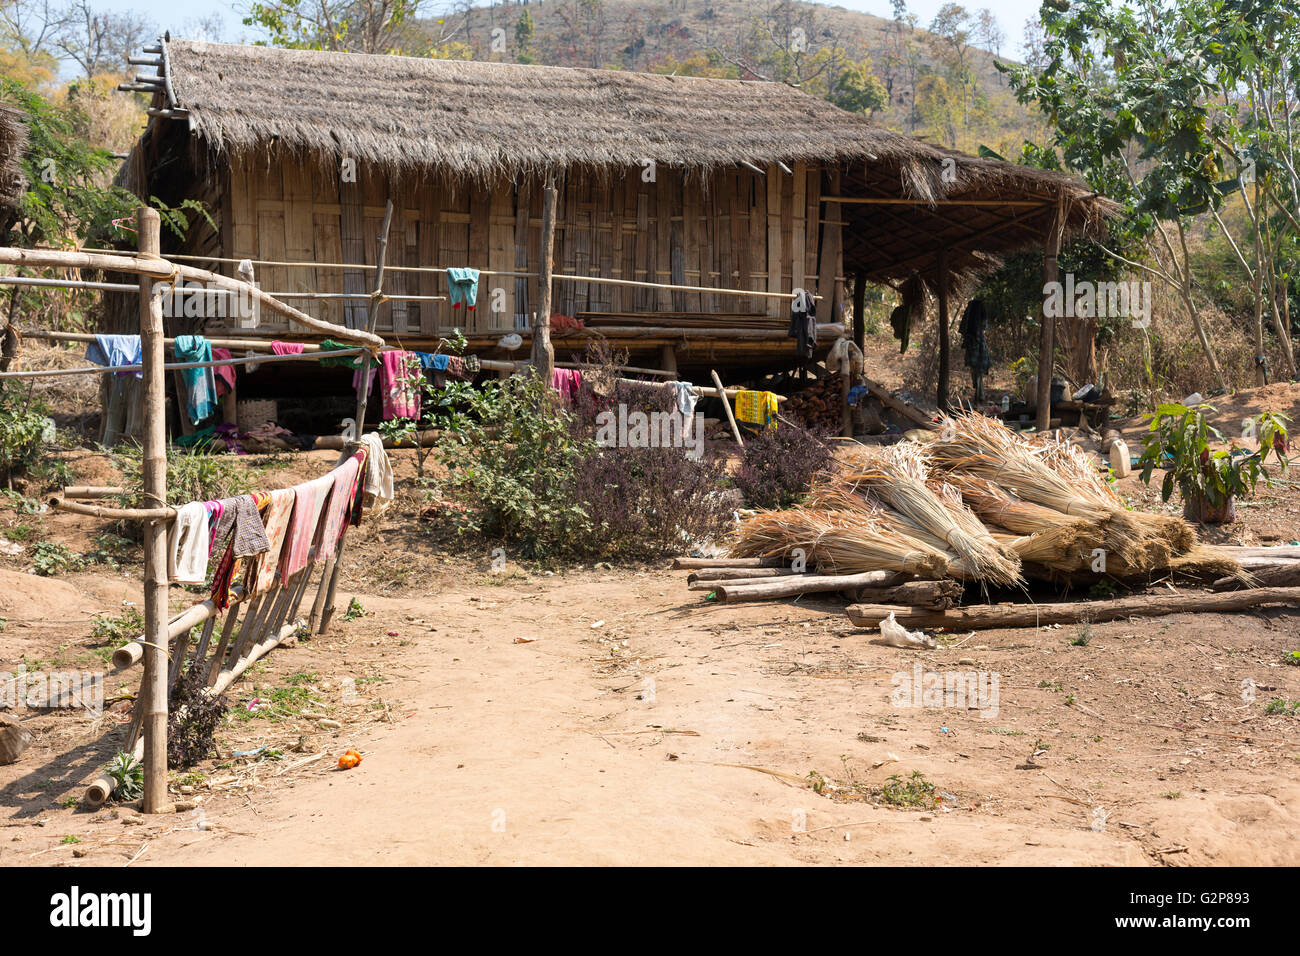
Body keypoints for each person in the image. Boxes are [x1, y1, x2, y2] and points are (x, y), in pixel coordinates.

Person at [958, 298, 992, 404]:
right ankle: (979, 395)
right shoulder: (979, 334)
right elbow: (984, 326)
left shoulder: (969, 321)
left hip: (971, 344)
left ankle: (979, 395)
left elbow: (963, 329)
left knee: (975, 371)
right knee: (978, 372)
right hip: (977, 345)